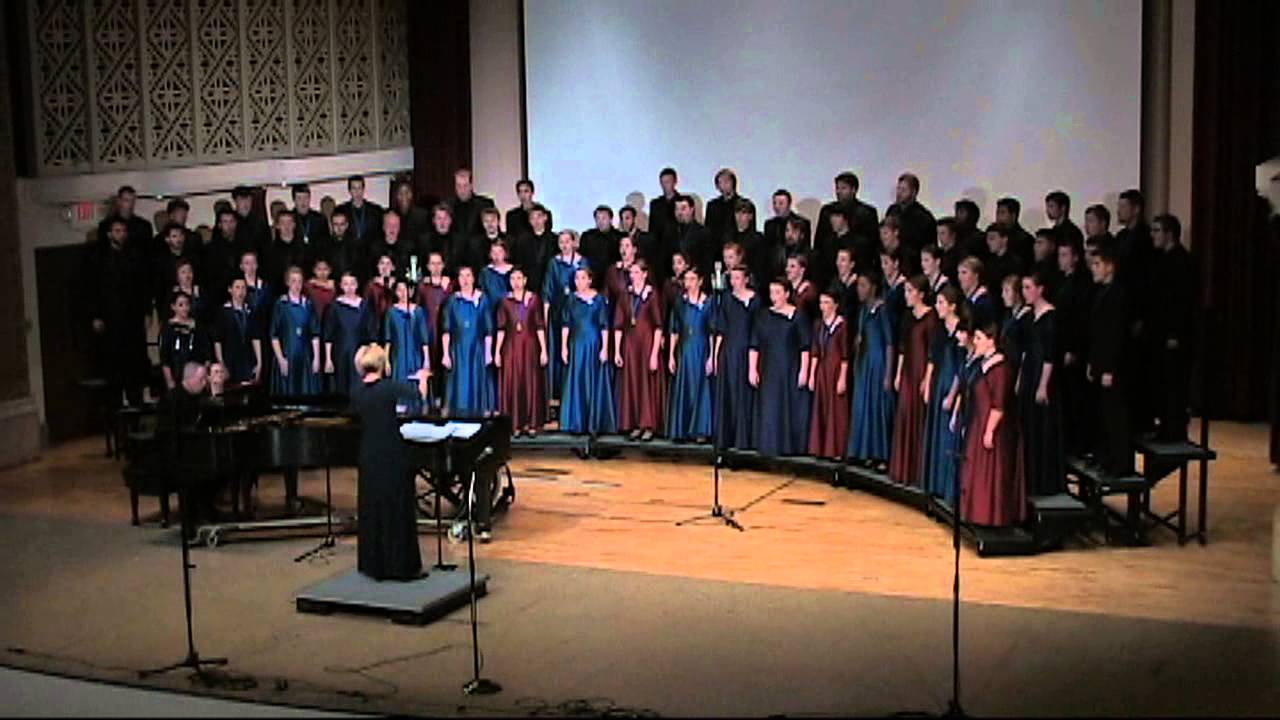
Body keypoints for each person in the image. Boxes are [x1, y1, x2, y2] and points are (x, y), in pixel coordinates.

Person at [350, 344, 429, 580]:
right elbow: (418, 395)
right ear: (383, 364)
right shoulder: (389, 387)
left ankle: (374, 566)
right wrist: (423, 378)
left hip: (368, 456)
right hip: (392, 456)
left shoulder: (356, 392)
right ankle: (401, 567)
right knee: (396, 509)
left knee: (372, 508)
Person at [957, 323, 1022, 527]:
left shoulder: (1000, 369)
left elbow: (999, 404)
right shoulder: (981, 364)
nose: (974, 342)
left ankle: (991, 516)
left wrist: (989, 431)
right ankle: (977, 513)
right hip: (978, 422)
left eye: (978, 338)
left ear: (991, 340)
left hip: (992, 427)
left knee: (991, 473)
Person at [85, 217, 150, 407]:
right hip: (111, 319)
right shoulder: (99, 259)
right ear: (109, 234)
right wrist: (95, 315)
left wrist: (146, 311)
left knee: (136, 362)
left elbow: (143, 286)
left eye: (123, 230)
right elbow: (92, 290)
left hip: (133, 317)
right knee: (114, 363)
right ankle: (117, 406)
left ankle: (136, 401)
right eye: (117, 231)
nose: (121, 234)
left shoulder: (134, 256)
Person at [749, 278, 812, 456]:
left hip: (789, 367)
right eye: (771, 292)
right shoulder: (763, 316)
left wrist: (804, 370)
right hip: (769, 367)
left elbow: (804, 346)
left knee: (787, 405)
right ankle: (769, 446)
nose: (774, 296)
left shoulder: (797, 316)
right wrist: (752, 368)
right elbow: (755, 344)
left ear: (786, 294)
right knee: (770, 406)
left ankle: (788, 447)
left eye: (778, 292)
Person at [1147, 213, 1195, 441]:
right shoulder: (1162, 260)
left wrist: (1175, 333)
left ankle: (1174, 429)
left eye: (1157, 231)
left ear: (1170, 234)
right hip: (1161, 332)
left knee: (1174, 384)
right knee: (1163, 383)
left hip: (1174, 335)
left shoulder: (1181, 261)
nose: (1152, 235)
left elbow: (1183, 302)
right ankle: (1166, 426)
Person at [889, 276, 939, 486]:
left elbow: (931, 353)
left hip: (921, 372)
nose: (906, 295)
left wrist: (927, 379)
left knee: (918, 417)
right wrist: (898, 374)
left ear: (920, 294)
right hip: (908, 370)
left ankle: (917, 470)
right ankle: (902, 469)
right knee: (904, 414)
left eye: (910, 291)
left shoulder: (931, 318)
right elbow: (902, 348)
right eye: (906, 291)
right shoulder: (907, 317)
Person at [1086, 246, 1132, 476]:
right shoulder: (1101, 292)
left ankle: (1120, 463)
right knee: (1102, 415)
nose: (1093, 269)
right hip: (1100, 363)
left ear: (1110, 266)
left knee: (1115, 416)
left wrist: (1110, 369)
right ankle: (1105, 458)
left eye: (1097, 265)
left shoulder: (1118, 294)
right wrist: (1093, 363)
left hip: (1112, 367)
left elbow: (1116, 335)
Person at [1018, 273, 1064, 496]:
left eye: (1028, 288)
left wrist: (1043, 385)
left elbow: (1049, 356)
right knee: (1029, 427)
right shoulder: (1030, 317)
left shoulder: (1050, 318)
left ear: (1040, 289)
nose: (1024, 292)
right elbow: (1026, 351)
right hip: (1029, 374)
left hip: (1042, 376)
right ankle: (1030, 479)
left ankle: (1045, 482)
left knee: (1043, 429)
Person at [847, 273, 896, 470]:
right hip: (864, 363)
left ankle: (880, 455)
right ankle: (863, 451)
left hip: (877, 365)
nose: (860, 289)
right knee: (863, 408)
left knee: (876, 409)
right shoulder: (863, 311)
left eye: (864, 285)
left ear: (873, 287)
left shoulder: (882, 310)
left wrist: (888, 373)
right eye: (858, 285)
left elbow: (889, 343)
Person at [921, 286, 966, 500]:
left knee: (947, 437)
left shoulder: (960, 332)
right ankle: (934, 484)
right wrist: (928, 383)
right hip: (938, 382)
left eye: (941, 303)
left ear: (952, 306)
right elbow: (932, 358)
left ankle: (947, 487)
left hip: (951, 385)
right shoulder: (939, 330)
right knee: (935, 433)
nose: (937, 307)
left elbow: (961, 369)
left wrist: (952, 395)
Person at [559, 267, 616, 436]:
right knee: (578, 381)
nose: (579, 281)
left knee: (594, 382)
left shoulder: (598, 299)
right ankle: (578, 423)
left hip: (594, 345)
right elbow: (565, 325)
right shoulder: (570, 300)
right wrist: (563, 347)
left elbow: (604, 325)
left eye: (583, 278)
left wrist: (605, 348)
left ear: (590, 280)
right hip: (577, 346)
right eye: (576, 278)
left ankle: (594, 423)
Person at [614, 260, 665, 441]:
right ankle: (634, 423)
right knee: (633, 383)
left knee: (646, 384)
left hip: (647, 344)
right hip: (630, 344)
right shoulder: (625, 295)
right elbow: (618, 324)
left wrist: (654, 354)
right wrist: (618, 351)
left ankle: (648, 424)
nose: (633, 276)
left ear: (644, 274)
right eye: (631, 273)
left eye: (636, 272)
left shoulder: (651, 295)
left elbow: (659, 325)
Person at [495, 266, 548, 436]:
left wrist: (544, 350)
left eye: (519, 278)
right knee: (513, 383)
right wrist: (497, 352)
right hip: (511, 347)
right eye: (513, 279)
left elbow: (540, 326)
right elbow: (501, 328)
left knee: (530, 382)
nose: (516, 282)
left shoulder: (533, 299)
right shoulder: (505, 301)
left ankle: (530, 423)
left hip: (530, 346)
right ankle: (514, 424)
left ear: (525, 280)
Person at [711, 266, 758, 450]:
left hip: (748, 352)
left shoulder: (756, 301)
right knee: (729, 395)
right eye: (732, 278)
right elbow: (721, 330)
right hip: (730, 352)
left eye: (738, 278)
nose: (734, 282)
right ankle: (727, 442)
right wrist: (715, 356)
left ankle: (745, 443)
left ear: (746, 279)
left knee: (745, 397)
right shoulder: (727, 301)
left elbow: (757, 330)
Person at [1053, 239, 1092, 455]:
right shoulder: (1062, 281)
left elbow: (1078, 320)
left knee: (1076, 398)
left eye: (1065, 255)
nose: (1061, 260)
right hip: (1062, 345)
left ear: (1075, 258)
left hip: (1072, 349)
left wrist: (1072, 349)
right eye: (1059, 255)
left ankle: (1080, 444)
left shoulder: (1080, 284)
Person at [666, 266, 714, 442]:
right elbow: (674, 329)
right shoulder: (680, 302)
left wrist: (712, 357)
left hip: (701, 349)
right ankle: (683, 428)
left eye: (693, 279)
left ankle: (700, 430)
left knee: (701, 388)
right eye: (686, 280)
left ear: (700, 281)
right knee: (685, 386)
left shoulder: (709, 303)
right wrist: (671, 354)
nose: (689, 284)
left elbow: (712, 331)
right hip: (685, 349)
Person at [441, 266, 496, 416]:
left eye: (468, 276)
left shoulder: (483, 299)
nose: (465, 280)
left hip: (476, 349)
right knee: (459, 383)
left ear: (473, 278)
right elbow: (446, 329)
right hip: (458, 350)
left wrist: (488, 352)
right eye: (462, 276)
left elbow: (488, 329)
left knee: (476, 382)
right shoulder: (452, 301)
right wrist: (445, 354)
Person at [542, 230, 587, 407]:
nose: (564, 245)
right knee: (558, 355)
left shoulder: (582, 262)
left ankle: (575, 397)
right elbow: (547, 291)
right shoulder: (554, 263)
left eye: (567, 241)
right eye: (561, 242)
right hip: (558, 316)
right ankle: (557, 399)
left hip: (578, 316)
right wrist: (545, 321)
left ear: (574, 243)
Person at [807, 290, 850, 460]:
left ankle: (837, 450)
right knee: (822, 407)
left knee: (836, 410)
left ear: (835, 305)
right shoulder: (819, 325)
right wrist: (812, 374)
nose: (823, 307)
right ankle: (821, 448)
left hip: (836, 370)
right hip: (822, 370)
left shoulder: (842, 325)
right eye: (821, 303)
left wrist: (842, 377)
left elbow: (845, 355)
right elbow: (815, 351)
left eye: (826, 302)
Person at [269, 266, 322, 398]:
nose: (296, 285)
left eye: (299, 281)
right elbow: (274, 335)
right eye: (293, 281)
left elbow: (314, 333)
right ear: (287, 282)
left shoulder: (308, 304)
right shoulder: (281, 305)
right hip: (287, 355)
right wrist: (281, 359)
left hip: (305, 357)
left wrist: (316, 358)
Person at [383, 279, 431, 414]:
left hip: (415, 355)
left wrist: (426, 359)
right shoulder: (391, 312)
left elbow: (424, 338)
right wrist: (386, 360)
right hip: (398, 356)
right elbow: (388, 338)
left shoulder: (418, 311)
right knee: (399, 382)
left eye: (406, 290)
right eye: (399, 290)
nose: (403, 293)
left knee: (417, 383)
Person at [815, 172, 879, 271]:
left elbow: (873, 245)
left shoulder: (867, 213)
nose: (839, 192)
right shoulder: (827, 211)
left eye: (843, 188)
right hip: (829, 265)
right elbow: (819, 242)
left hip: (858, 265)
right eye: (837, 188)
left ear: (853, 190)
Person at [324, 272, 373, 396]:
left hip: (361, 353)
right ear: (341, 286)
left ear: (357, 285)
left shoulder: (364, 305)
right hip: (341, 353)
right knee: (342, 387)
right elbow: (329, 333)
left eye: (352, 284)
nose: (349, 287)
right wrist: (328, 359)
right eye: (346, 284)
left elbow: (371, 332)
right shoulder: (335, 306)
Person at [415, 252, 453, 408]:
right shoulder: (423, 286)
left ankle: (444, 399)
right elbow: (418, 309)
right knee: (428, 364)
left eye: (439, 263)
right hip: (428, 330)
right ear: (428, 266)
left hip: (446, 330)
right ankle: (429, 400)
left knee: (445, 365)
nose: (436, 267)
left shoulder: (450, 285)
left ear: (443, 265)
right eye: (433, 263)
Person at [215, 276, 263, 386]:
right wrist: (221, 364)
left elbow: (256, 337)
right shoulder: (223, 312)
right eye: (237, 287)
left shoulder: (250, 311)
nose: (241, 291)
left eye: (243, 288)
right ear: (230, 290)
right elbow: (217, 341)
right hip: (230, 360)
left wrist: (259, 362)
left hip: (247, 360)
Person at [159, 291, 211, 391]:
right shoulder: (168, 328)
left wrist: (203, 375)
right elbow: (165, 358)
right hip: (177, 374)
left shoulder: (198, 327)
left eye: (187, 304)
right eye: (181, 305)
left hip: (196, 376)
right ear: (173, 307)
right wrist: (169, 381)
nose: (185, 308)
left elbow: (206, 352)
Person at [446, 168, 496, 253]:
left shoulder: (485, 204)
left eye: (465, 186)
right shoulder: (448, 205)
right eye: (459, 186)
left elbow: (492, 230)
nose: (462, 190)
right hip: (455, 254)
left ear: (471, 185)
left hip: (480, 253)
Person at [886, 172, 937, 254]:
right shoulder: (892, 210)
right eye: (898, 189)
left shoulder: (923, 217)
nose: (899, 193)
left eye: (904, 190)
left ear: (913, 192)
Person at [263, 210, 311, 292]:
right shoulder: (270, 251)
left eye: (289, 223)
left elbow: (309, 272)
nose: (286, 226)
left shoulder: (305, 248)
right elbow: (269, 276)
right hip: (278, 294)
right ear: (277, 226)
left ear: (294, 225)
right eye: (283, 223)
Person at [513, 203, 556, 294]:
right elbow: (519, 264)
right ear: (529, 221)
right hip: (529, 286)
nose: (536, 221)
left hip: (551, 285)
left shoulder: (555, 239)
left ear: (545, 217)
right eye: (532, 218)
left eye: (539, 217)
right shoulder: (522, 241)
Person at [335, 174, 385, 248]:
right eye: (354, 188)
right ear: (349, 191)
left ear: (363, 189)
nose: (357, 192)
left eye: (359, 188)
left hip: (371, 253)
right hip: (349, 252)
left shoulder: (376, 211)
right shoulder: (341, 210)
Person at [730, 199, 768, 290]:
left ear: (750, 216)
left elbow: (760, 266)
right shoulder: (728, 237)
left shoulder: (758, 239)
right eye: (737, 213)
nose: (739, 217)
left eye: (743, 213)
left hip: (750, 284)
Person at [648, 167, 680, 273]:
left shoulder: (682, 202)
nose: (665, 185)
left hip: (678, 248)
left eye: (668, 181)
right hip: (660, 251)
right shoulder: (655, 204)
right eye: (662, 182)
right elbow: (652, 230)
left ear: (675, 182)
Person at [704, 167, 744, 253]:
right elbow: (708, 231)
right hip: (716, 249)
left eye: (727, 181)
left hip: (737, 249)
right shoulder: (712, 205)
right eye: (720, 183)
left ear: (733, 183)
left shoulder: (743, 204)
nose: (724, 185)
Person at [580, 205, 621, 286]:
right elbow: (582, 259)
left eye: (604, 218)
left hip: (614, 280)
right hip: (592, 280)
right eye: (598, 218)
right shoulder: (587, 237)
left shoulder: (619, 237)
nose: (600, 221)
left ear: (610, 219)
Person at [763, 189, 809, 261]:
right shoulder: (769, 225)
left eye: (781, 203)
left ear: (789, 204)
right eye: (774, 203)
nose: (777, 206)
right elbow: (767, 250)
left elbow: (805, 249)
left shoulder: (802, 223)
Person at [983, 224, 1026, 300]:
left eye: (992, 238)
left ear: (1004, 239)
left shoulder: (1015, 263)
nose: (988, 242)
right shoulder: (989, 261)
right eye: (987, 239)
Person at [368, 211, 414, 281]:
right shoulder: (374, 248)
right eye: (389, 225)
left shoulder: (409, 248)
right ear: (383, 227)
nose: (392, 229)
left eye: (395, 225)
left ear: (399, 228)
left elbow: (413, 274)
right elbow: (370, 274)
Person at [673, 194, 711, 274]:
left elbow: (706, 260)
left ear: (692, 209)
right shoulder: (670, 232)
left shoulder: (703, 232)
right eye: (677, 209)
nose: (679, 213)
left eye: (683, 209)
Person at [292, 183, 332, 258]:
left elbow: (326, 245)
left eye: (306, 198)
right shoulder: (289, 219)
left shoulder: (320, 219)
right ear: (294, 200)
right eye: (299, 198)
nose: (303, 202)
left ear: (310, 198)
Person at [391, 180, 430, 254]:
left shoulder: (422, 215)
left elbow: (425, 242)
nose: (404, 196)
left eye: (407, 193)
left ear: (411, 194)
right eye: (400, 193)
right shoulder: (391, 215)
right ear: (396, 196)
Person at [479, 239, 514, 322]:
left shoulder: (513, 271)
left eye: (500, 252)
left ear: (505, 253)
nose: (496, 255)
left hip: (510, 312)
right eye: (493, 252)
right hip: (491, 312)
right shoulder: (485, 273)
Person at [231, 185, 272, 257]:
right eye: (241, 199)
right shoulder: (230, 222)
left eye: (248, 199)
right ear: (235, 201)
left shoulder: (259, 224)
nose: (245, 203)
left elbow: (266, 250)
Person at [995, 197, 1035, 267]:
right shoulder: (992, 232)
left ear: (1013, 215)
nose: (998, 217)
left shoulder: (1025, 239)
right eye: (997, 212)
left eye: (1002, 213)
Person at [957, 256, 995, 328]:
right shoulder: (964, 300)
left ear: (976, 275)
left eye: (964, 272)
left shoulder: (984, 303)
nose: (960, 277)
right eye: (958, 273)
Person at [421, 203, 453, 271]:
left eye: (445, 218)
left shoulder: (460, 242)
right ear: (433, 221)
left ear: (450, 220)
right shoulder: (424, 241)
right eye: (439, 218)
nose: (442, 222)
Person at [1031, 229, 1062, 300]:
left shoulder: (1056, 270)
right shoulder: (1034, 267)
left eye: (1040, 243)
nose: (1036, 247)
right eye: (1035, 243)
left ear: (1052, 246)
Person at [785, 255, 818, 320]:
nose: (787, 269)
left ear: (802, 270)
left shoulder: (809, 290)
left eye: (792, 266)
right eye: (787, 266)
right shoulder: (785, 286)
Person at [305, 257, 336, 323]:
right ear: (314, 270)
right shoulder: (309, 286)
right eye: (319, 269)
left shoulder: (334, 287)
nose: (322, 272)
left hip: (330, 322)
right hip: (313, 323)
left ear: (330, 270)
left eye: (325, 269)